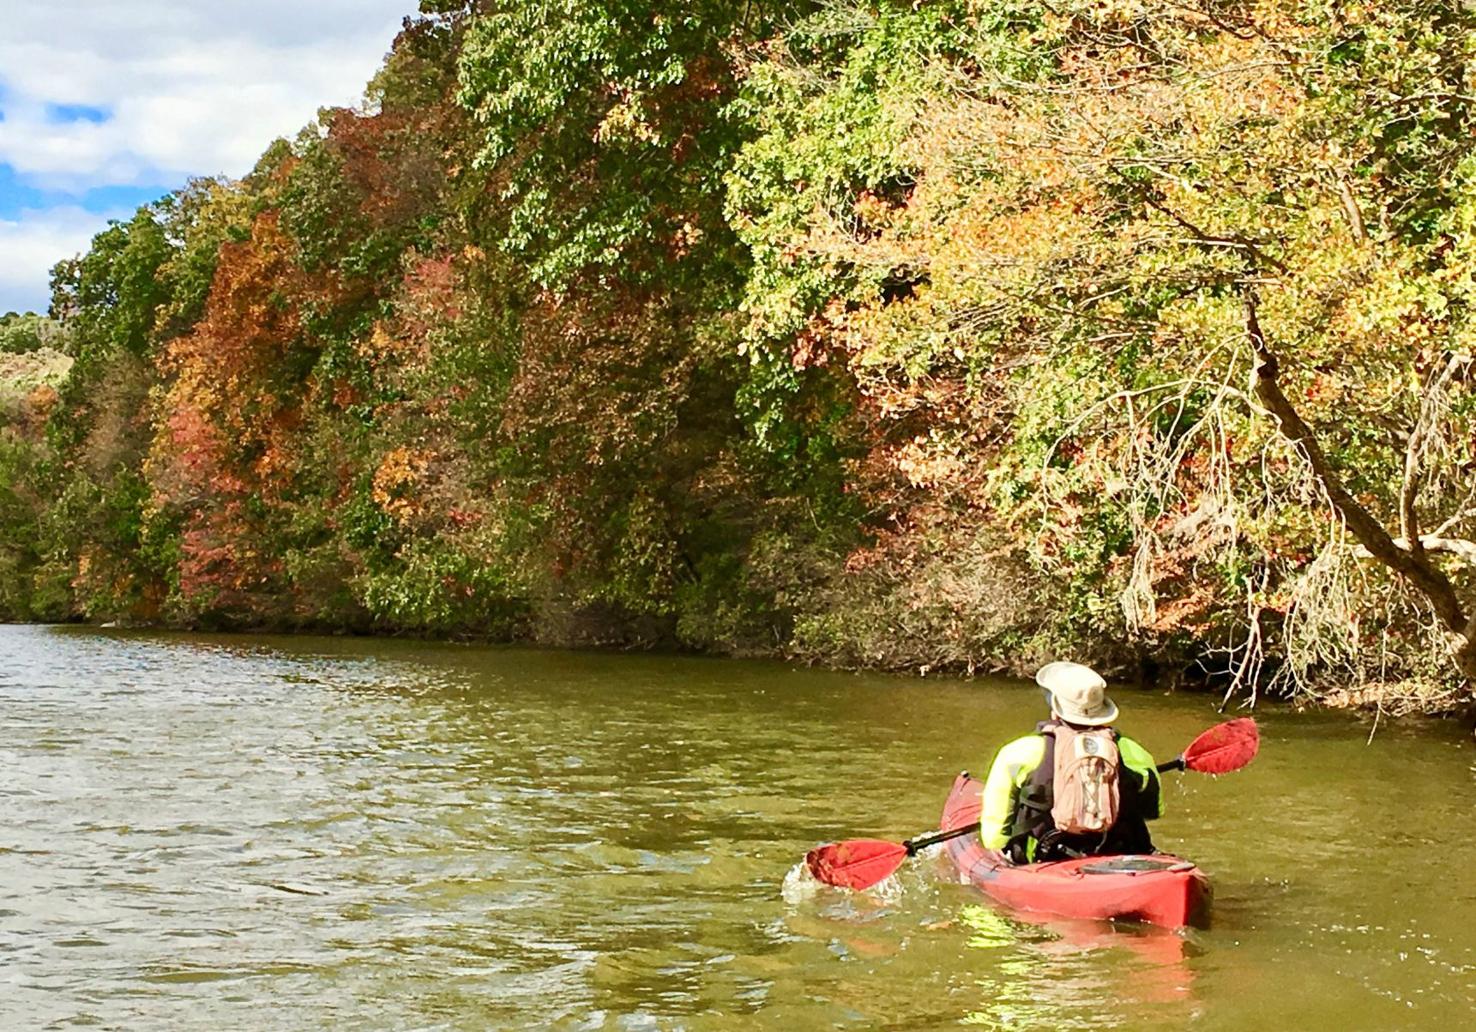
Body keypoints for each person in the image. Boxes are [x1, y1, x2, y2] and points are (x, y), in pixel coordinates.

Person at [979, 661, 1163, 864]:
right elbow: (1153, 811)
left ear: (1055, 709)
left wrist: (996, 851)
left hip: (1043, 859)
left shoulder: (1020, 752)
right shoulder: (1133, 750)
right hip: (1122, 856)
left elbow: (994, 833)